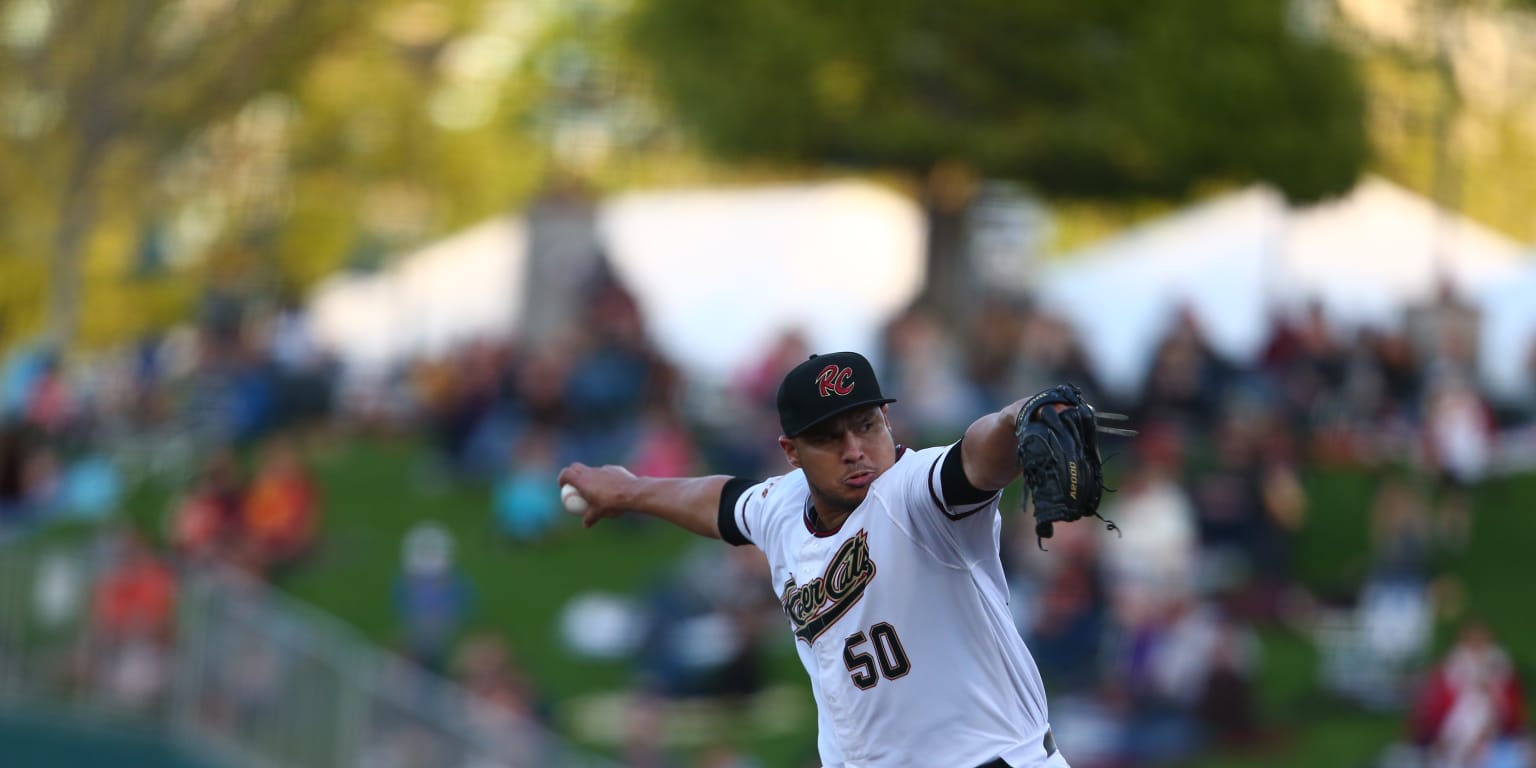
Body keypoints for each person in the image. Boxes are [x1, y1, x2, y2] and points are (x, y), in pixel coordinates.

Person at [560, 351, 1077, 767]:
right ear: (791, 451)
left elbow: (973, 457)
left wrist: (1015, 419)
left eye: (866, 425)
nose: (854, 449)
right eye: (829, 437)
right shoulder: (783, 507)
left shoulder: (914, 494)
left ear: (887, 420)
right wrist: (630, 490)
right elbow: (719, 502)